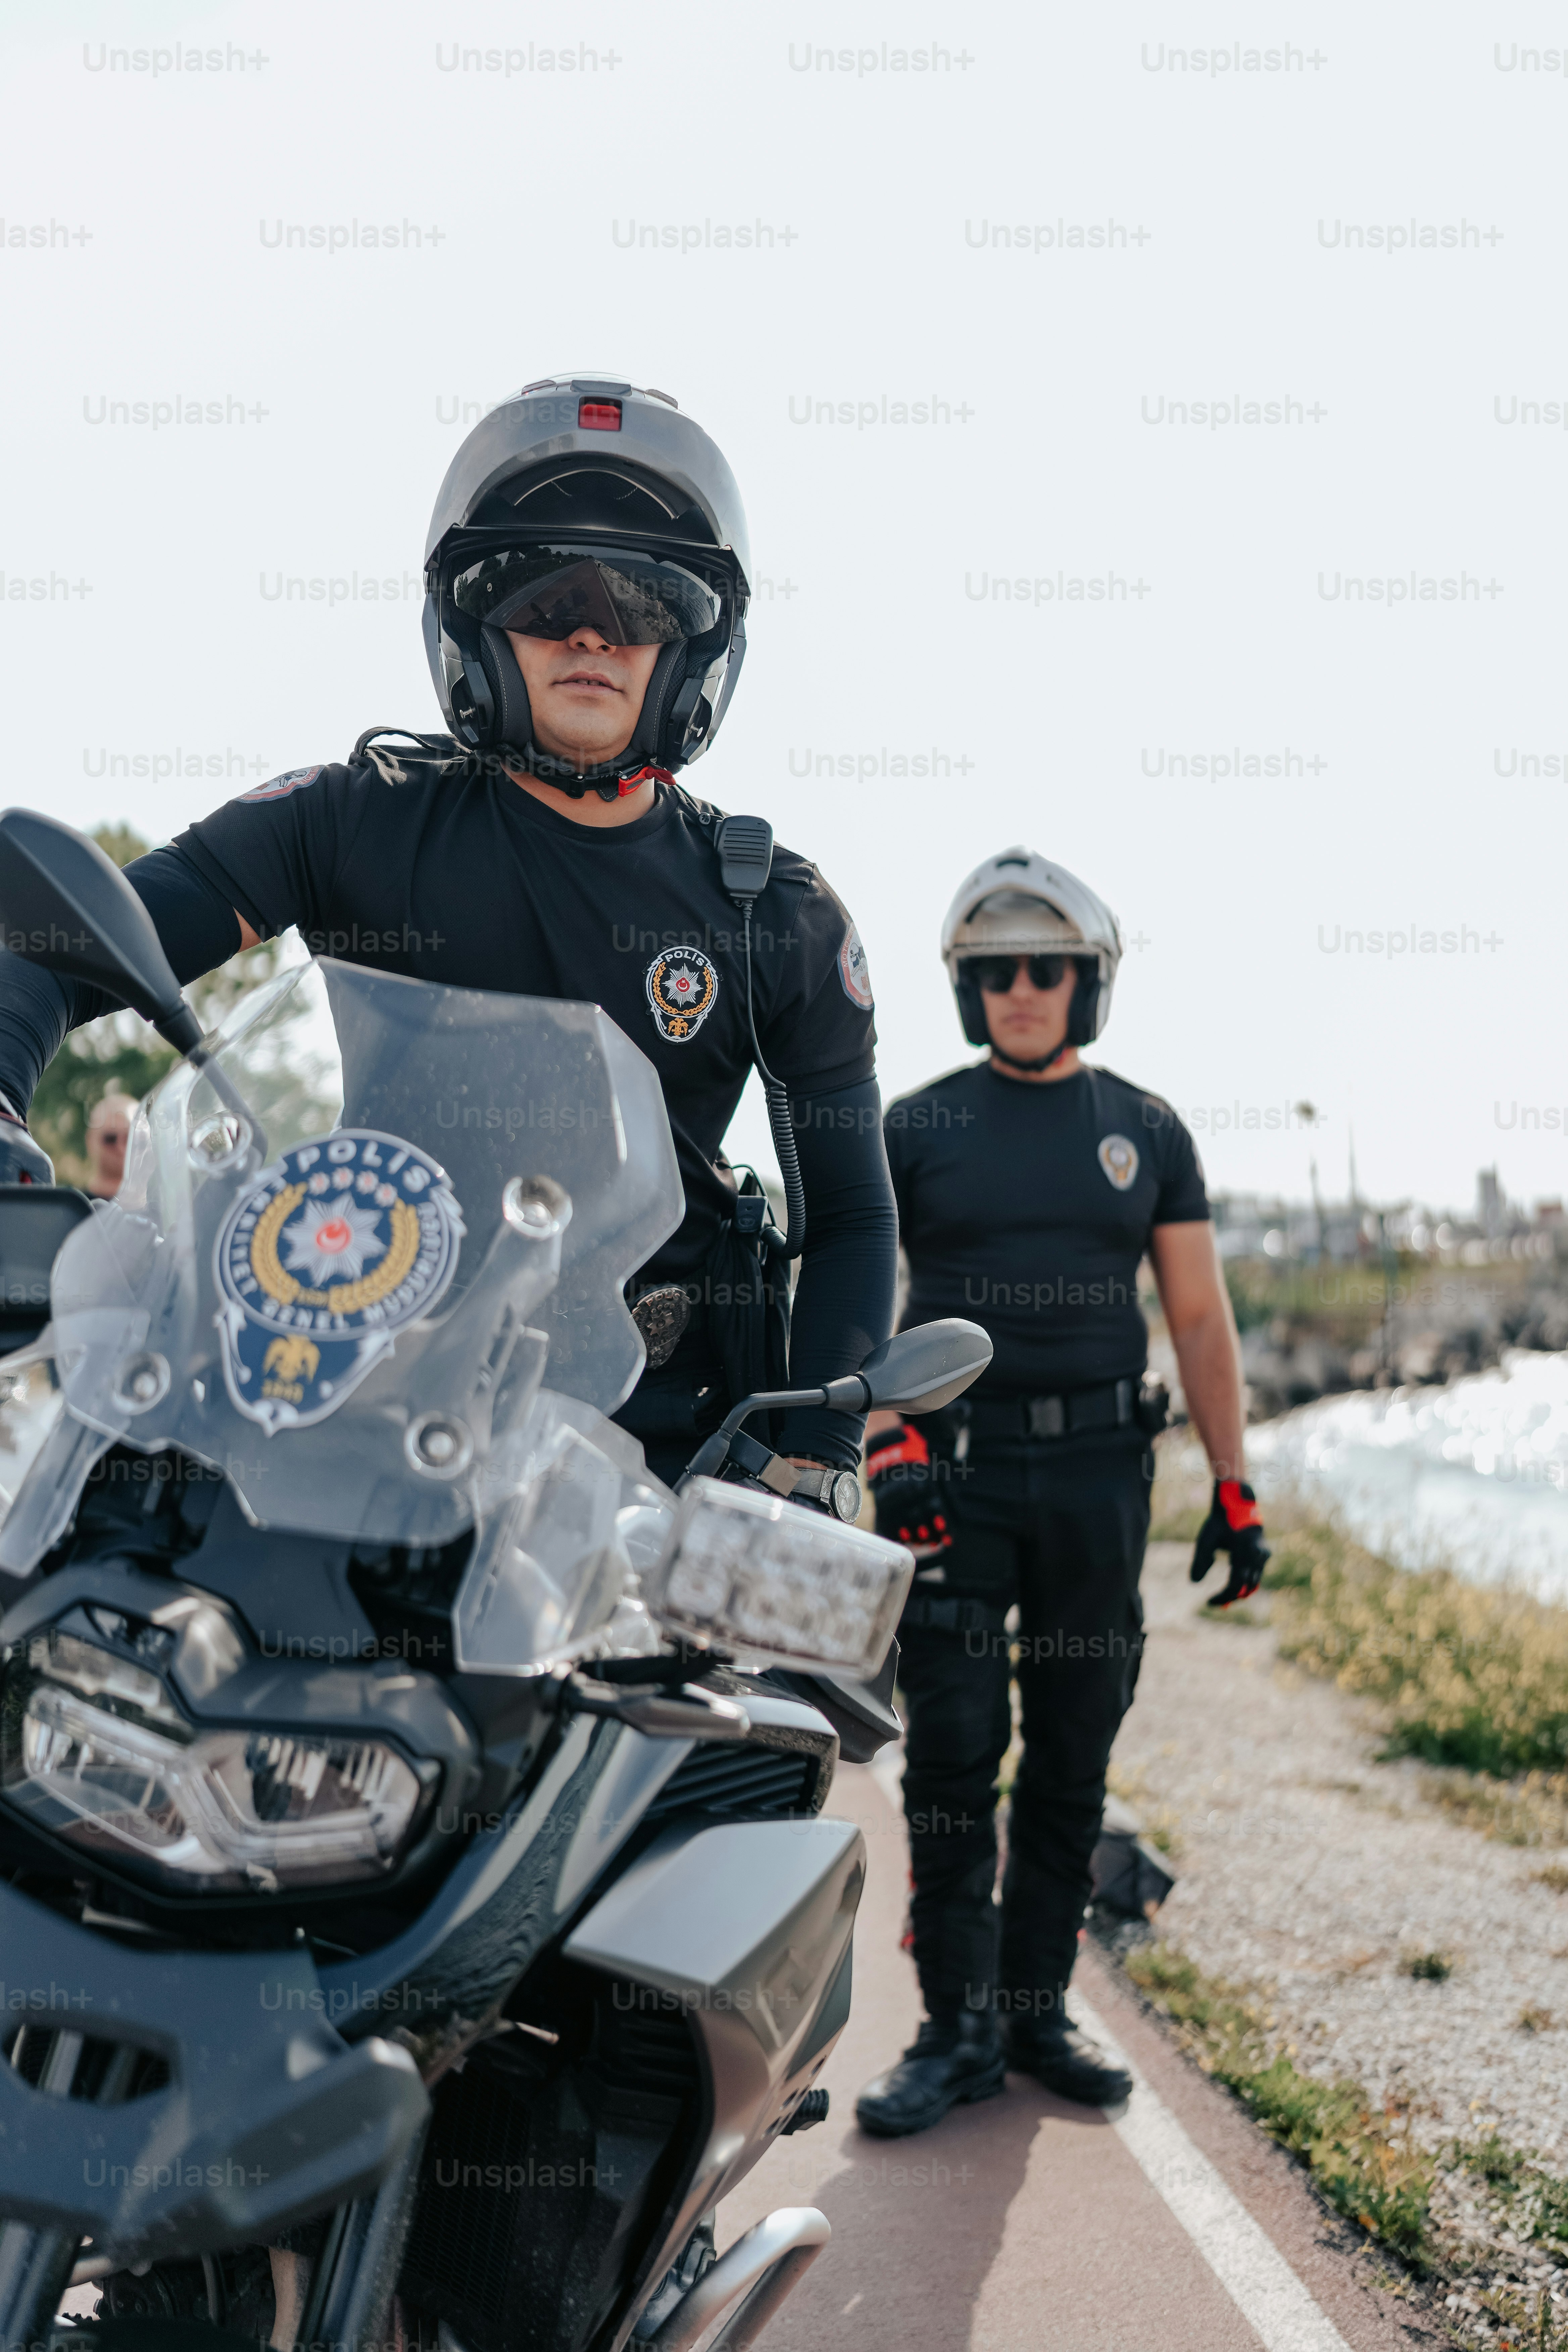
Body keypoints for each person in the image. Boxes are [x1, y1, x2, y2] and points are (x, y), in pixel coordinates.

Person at [0, 378, 896, 1494]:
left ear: (696, 650)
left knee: (791, 1679)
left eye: (644, 603)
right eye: (544, 589)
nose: (589, 632)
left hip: (664, 1467)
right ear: (470, 616)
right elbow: (70, 936)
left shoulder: (777, 909)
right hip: (337, 1408)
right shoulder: (348, 816)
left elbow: (855, 1218)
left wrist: (814, 1464)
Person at [854, 846, 1269, 2137]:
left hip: (1100, 1480)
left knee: (1073, 1747)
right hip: (950, 1481)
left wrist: (1234, 1485)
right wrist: (885, 1443)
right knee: (952, 1752)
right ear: (966, 989)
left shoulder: (1146, 1132)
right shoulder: (913, 1128)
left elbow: (1197, 1321)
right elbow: (863, 1303)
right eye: (993, 973)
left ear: (1086, 986)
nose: (1018, 991)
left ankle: (1035, 2009)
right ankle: (952, 2029)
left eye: (1044, 971)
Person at [84, 1088, 132, 1199]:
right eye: (110, 1139)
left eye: (130, 1138)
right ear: (90, 1141)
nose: (121, 1148)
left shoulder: (166, 1209)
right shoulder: (72, 1208)